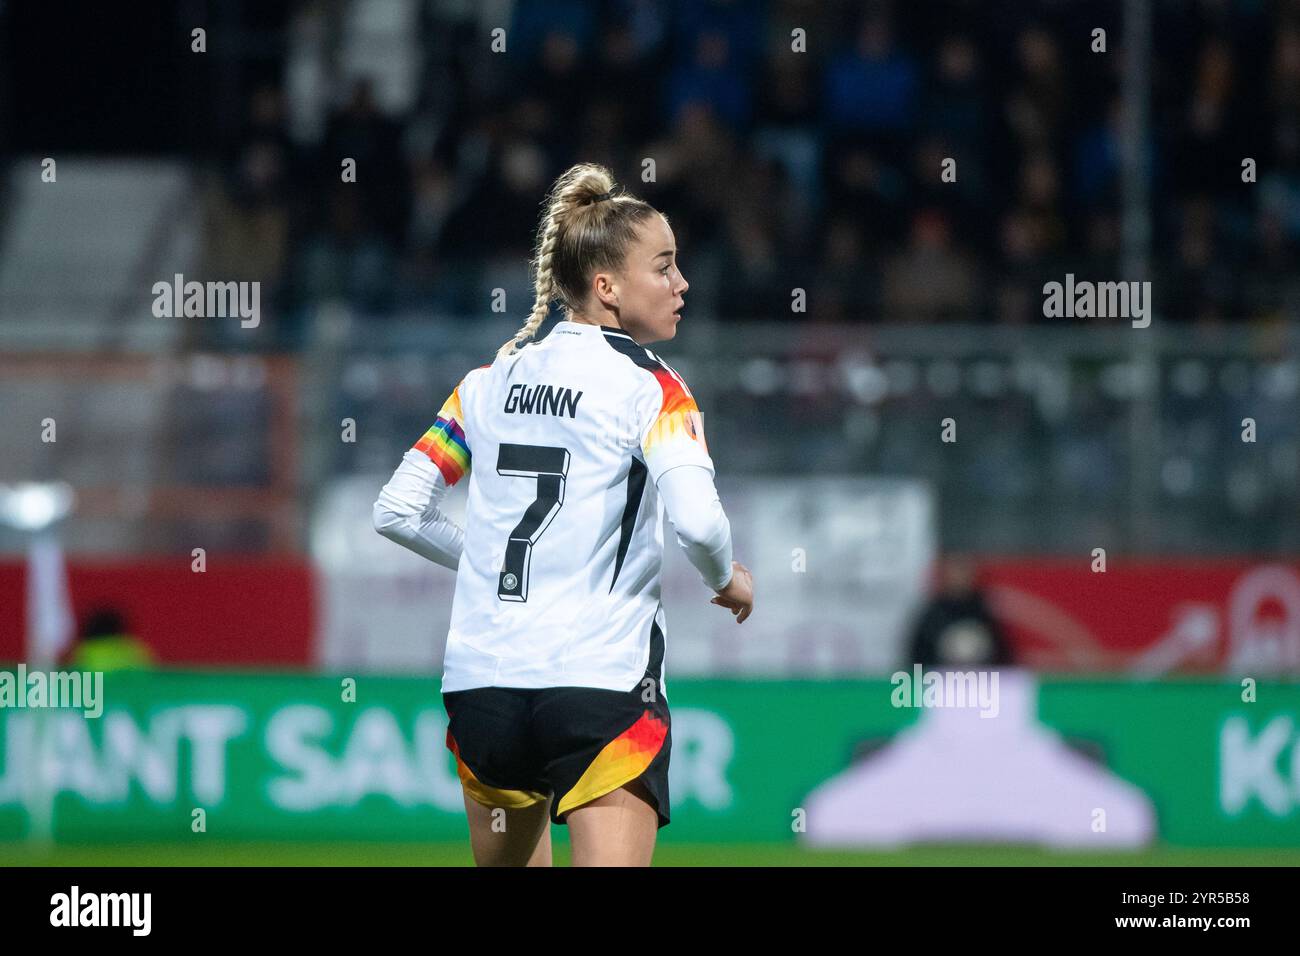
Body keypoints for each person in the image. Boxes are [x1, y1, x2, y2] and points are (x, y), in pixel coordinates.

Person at [373, 163, 753, 866]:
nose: (682, 284)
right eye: (665, 267)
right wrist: (725, 576)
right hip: (600, 687)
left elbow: (396, 510)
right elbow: (698, 524)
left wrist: (489, 555)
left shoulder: (486, 384)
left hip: (483, 686)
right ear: (606, 287)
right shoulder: (654, 388)